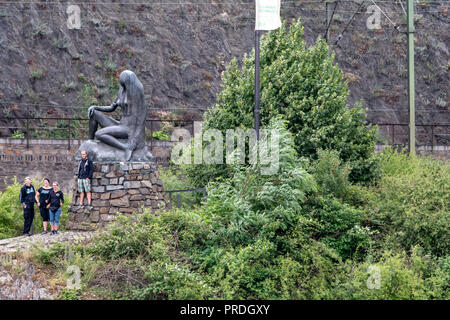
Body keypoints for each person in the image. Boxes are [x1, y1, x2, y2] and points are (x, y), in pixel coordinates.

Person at [87, 70, 147, 161]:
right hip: (120, 125)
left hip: (128, 128)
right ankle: (90, 142)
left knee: (99, 134)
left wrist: (134, 139)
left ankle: (125, 147)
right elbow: (111, 107)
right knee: (94, 113)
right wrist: (95, 107)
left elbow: (141, 120)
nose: (123, 86)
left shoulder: (137, 94)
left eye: (124, 84)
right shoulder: (121, 90)